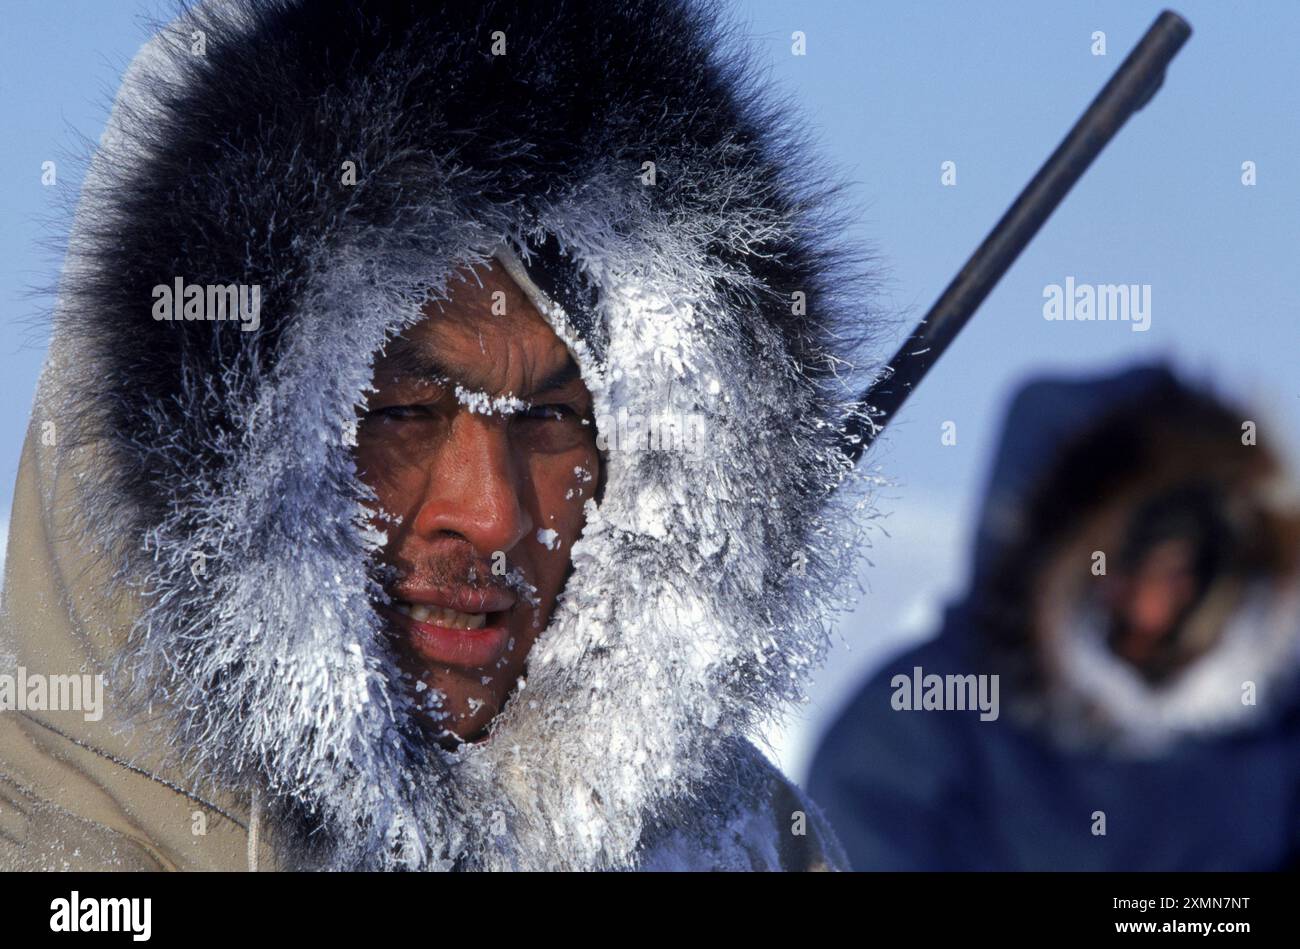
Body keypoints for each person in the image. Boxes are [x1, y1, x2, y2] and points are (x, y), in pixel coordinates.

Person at [0, 0, 879, 871]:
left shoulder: (758, 849)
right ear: (206, 464)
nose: (491, 514)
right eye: (403, 412)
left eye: (550, 416)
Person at [810, 366, 1300, 870]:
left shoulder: (1280, 727)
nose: (1155, 605)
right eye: (1130, 568)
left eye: (1185, 570)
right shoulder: (917, 727)